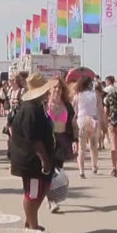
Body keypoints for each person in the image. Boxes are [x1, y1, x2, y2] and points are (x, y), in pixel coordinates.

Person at [8, 73, 57, 232]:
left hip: (33, 159)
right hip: (32, 161)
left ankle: (31, 221)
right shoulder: (30, 110)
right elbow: (34, 139)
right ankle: (32, 225)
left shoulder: (36, 107)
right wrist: (44, 160)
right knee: (33, 193)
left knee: (37, 191)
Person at [45, 81, 76, 214]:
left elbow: (73, 124)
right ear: (49, 90)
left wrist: (75, 140)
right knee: (49, 170)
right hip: (48, 140)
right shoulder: (44, 105)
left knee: (58, 169)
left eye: (59, 87)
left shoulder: (67, 105)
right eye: (54, 87)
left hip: (62, 140)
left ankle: (53, 197)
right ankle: (51, 200)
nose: (57, 89)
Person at [74, 76, 101, 178]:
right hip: (93, 120)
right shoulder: (96, 94)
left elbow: (75, 111)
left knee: (82, 148)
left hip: (81, 120)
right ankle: (94, 166)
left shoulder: (78, 95)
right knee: (93, 146)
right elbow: (100, 110)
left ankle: (82, 171)